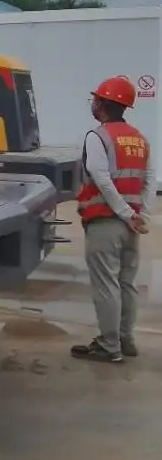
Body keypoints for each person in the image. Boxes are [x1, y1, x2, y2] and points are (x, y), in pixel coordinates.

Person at [71, 76, 154, 363]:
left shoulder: (98, 136)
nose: (93, 104)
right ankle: (125, 339)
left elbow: (101, 178)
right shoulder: (139, 138)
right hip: (131, 224)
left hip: (106, 221)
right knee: (126, 283)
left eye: (96, 99)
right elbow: (149, 180)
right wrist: (141, 215)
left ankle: (109, 346)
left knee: (106, 284)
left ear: (105, 104)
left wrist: (126, 213)